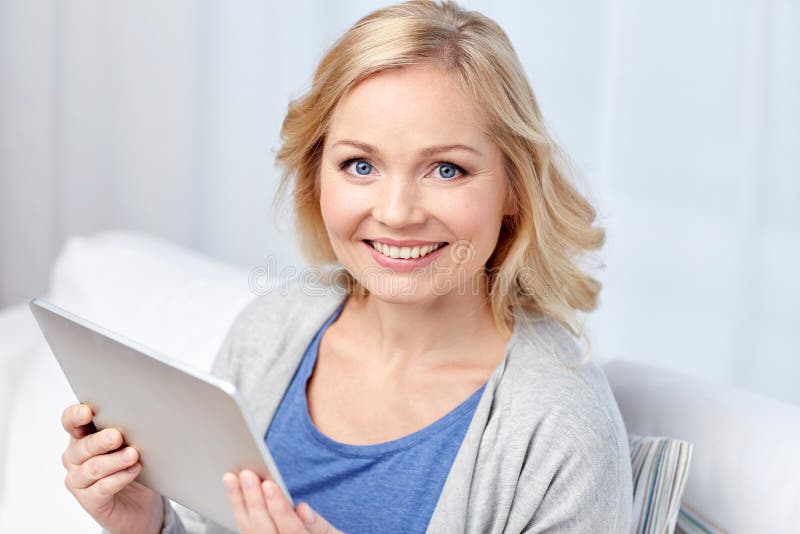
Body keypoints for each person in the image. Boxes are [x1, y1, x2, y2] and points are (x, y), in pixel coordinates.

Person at [59, 1, 633, 532]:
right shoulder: (270, 331)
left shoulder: (561, 427)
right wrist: (150, 523)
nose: (397, 212)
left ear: (515, 188)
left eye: (447, 170)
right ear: (316, 175)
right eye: (361, 165)